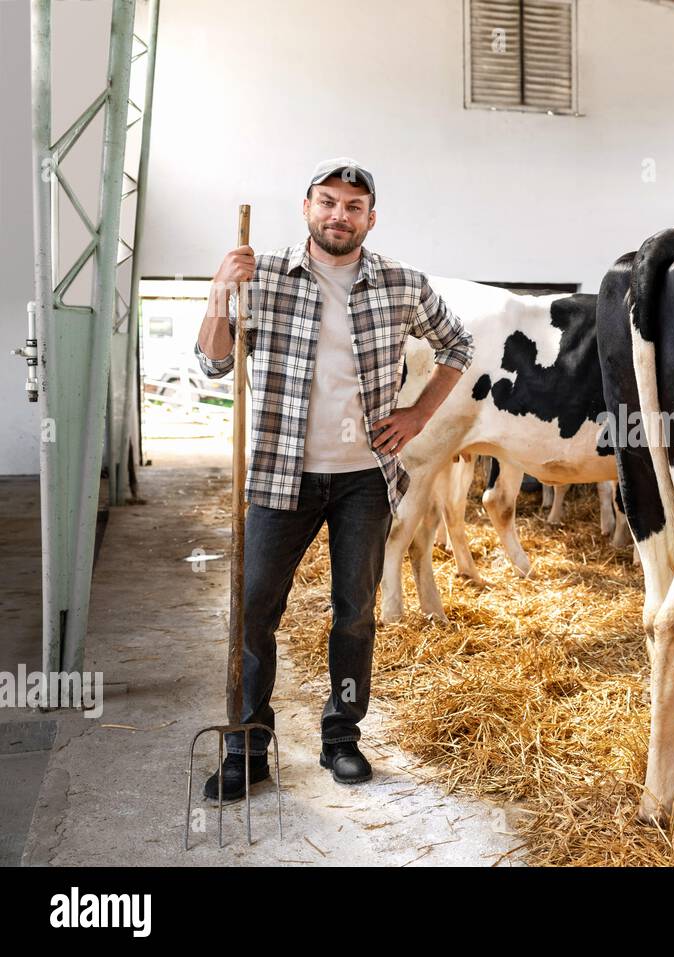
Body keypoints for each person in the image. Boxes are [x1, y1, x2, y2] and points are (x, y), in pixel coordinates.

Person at [195, 158, 473, 801]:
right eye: (327, 202)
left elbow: (458, 346)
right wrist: (218, 291)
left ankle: (341, 736)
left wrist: (417, 414)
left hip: (363, 480)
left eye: (352, 207)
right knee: (254, 611)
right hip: (278, 475)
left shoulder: (402, 283)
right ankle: (246, 745)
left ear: (370, 219)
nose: (338, 215)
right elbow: (213, 363)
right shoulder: (260, 276)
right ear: (306, 208)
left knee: (354, 616)